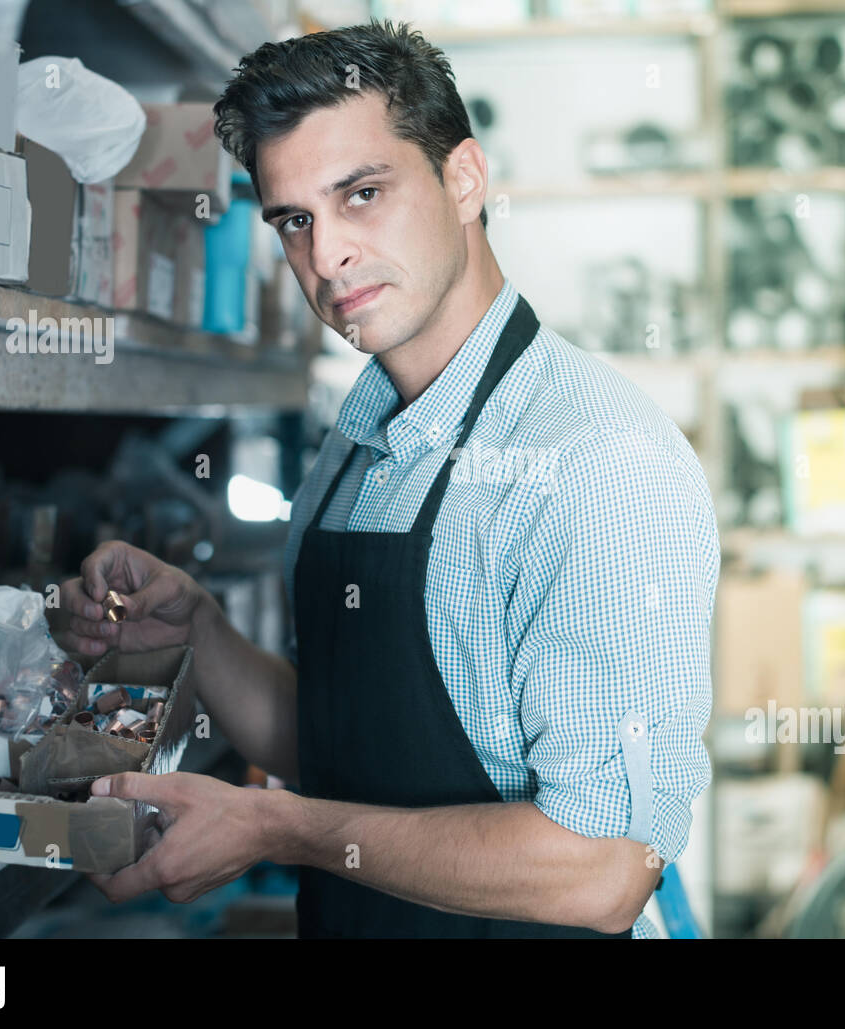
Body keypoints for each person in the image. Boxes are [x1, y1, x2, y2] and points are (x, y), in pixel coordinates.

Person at [61, 19, 720, 939]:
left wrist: (274, 825)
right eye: (295, 219)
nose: (325, 255)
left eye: (361, 193)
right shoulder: (355, 442)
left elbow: (602, 869)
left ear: (464, 179)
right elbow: (347, 753)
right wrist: (199, 631)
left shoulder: (592, 465)